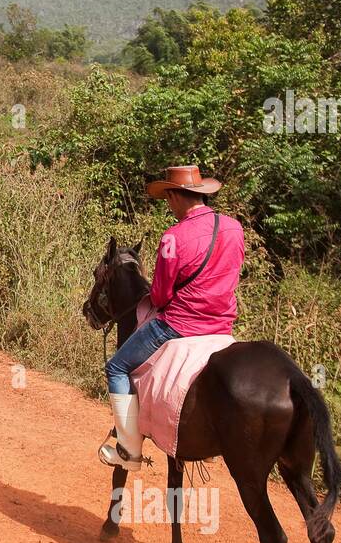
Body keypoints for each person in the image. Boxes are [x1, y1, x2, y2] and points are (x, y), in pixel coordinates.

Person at [99, 165, 246, 470]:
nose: (168, 206)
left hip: (179, 326)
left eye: (167, 199)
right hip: (221, 327)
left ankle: (128, 451)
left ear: (175, 197)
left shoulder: (173, 238)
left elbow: (162, 296)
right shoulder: (234, 228)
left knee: (116, 367)